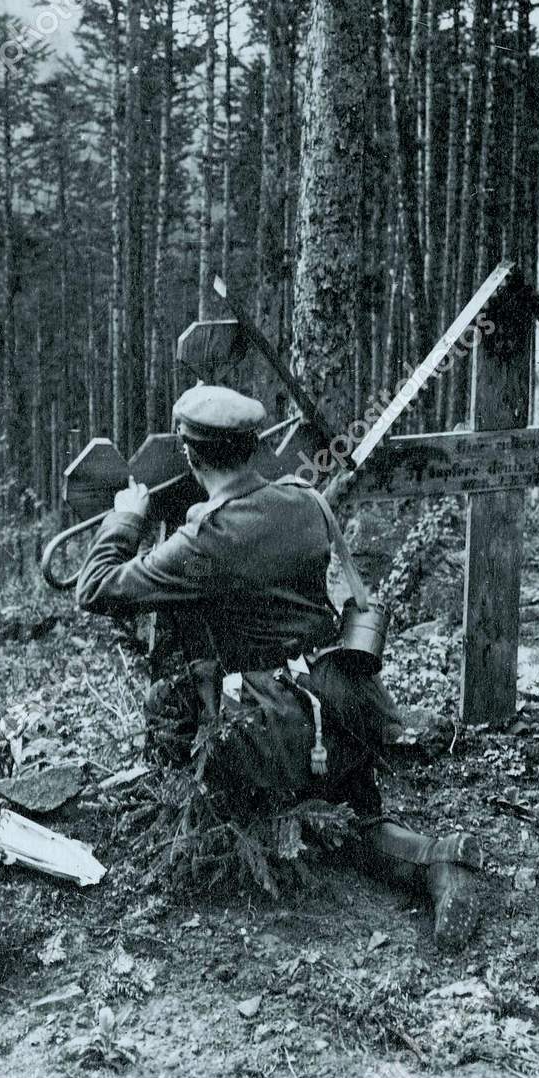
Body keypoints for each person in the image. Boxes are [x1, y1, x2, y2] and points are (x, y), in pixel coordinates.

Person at [75, 383, 482, 950]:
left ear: (189, 455)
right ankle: (437, 858)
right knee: (351, 821)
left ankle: (262, 825)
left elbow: (95, 589)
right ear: (254, 448)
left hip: (263, 735)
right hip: (340, 708)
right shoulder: (303, 499)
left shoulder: (205, 542)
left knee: (202, 754)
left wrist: (125, 520)